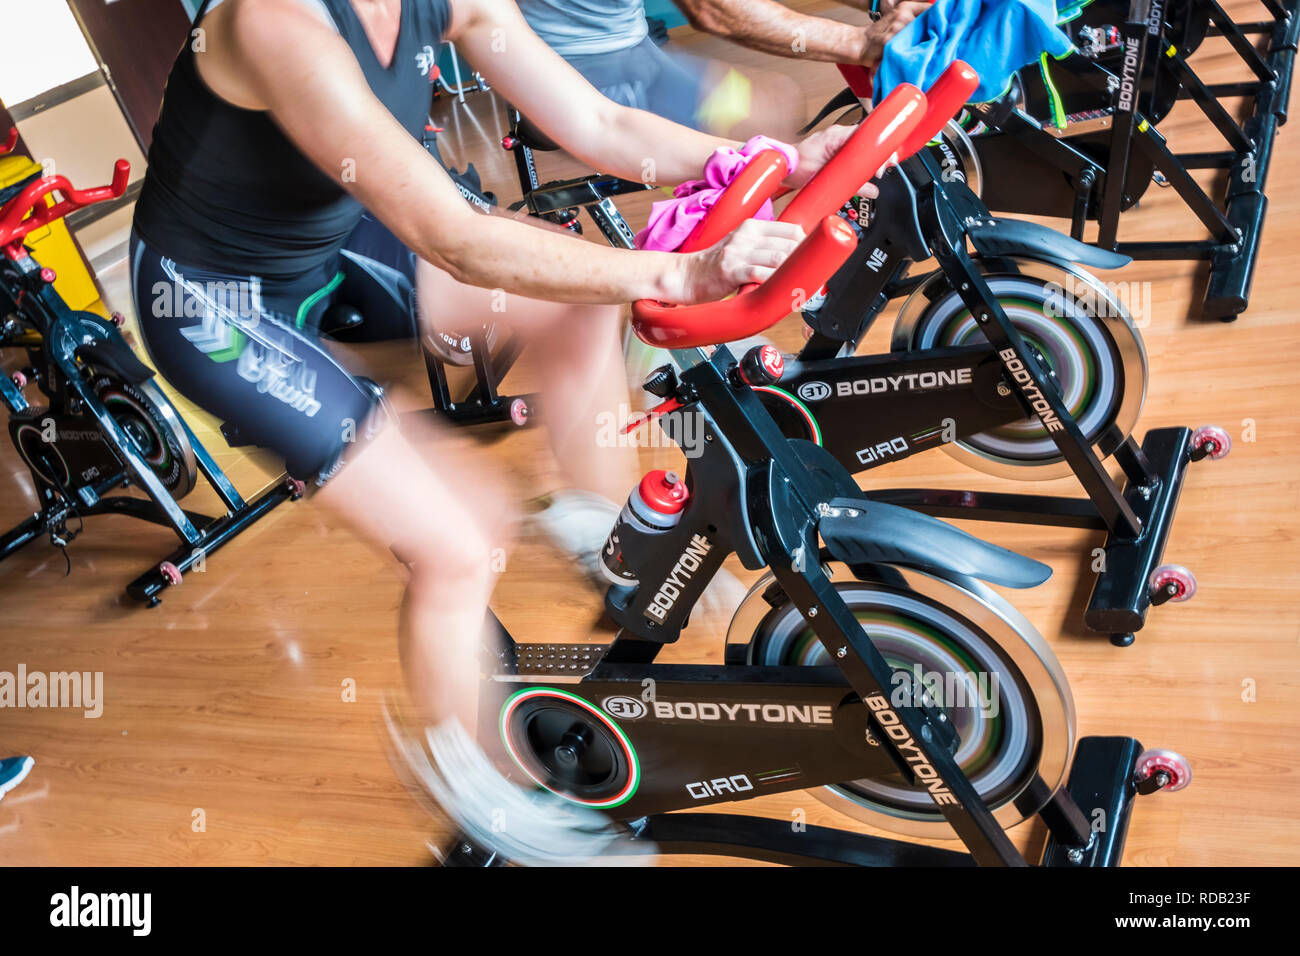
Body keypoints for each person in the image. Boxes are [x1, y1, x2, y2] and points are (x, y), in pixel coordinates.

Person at [131, 0, 877, 860]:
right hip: (213, 300)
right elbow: (455, 240)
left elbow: (597, 120)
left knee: (579, 310)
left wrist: (771, 161)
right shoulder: (271, 21)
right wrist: (682, 268)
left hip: (329, 236)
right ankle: (483, 787)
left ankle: (611, 541)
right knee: (457, 540)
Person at [515, 0, 927, 131]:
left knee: (776, 113)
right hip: (582, 73)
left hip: (632, 42)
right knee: (769, 112)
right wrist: (859, 42)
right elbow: (712, 10)